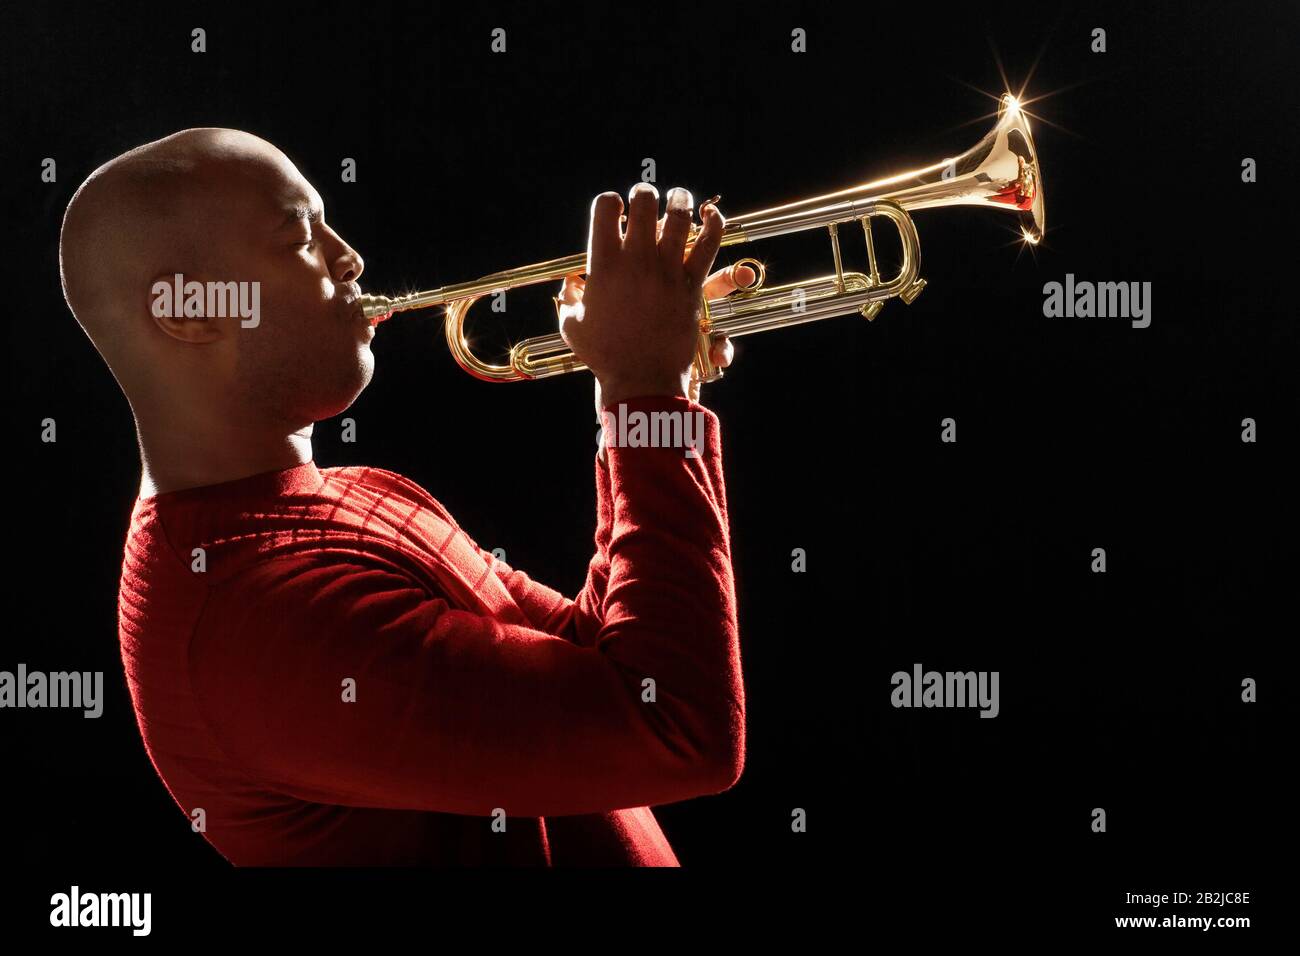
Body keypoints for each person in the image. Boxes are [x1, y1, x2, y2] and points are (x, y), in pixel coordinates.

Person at [59, 128, 750, 865]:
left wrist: (655, 385)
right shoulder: (256, 615)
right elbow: (678, 726)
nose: (348, 256)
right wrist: (644, 390)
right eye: (298, 233)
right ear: (189, 308)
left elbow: (593, 657)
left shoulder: (354, 492)